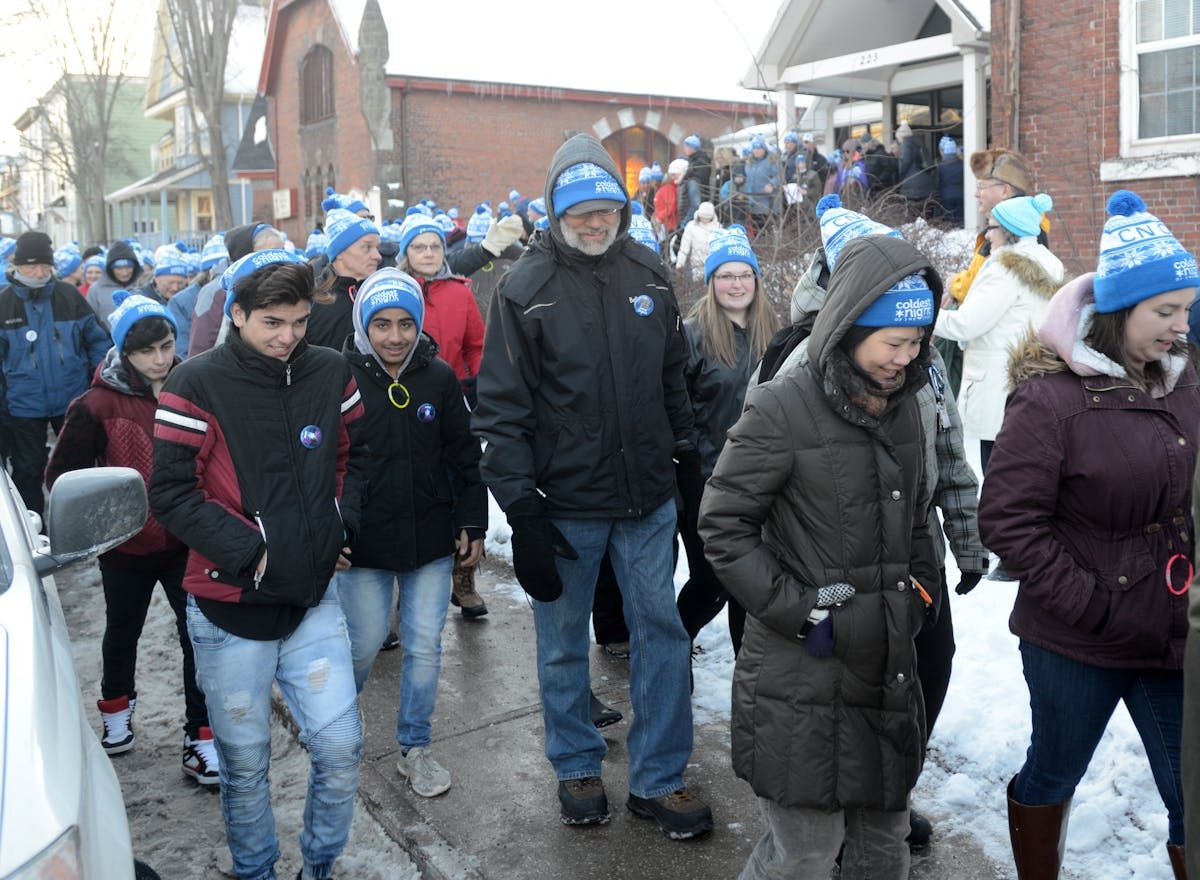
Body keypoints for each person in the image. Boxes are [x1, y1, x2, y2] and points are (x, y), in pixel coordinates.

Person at [473, 134, 712, 839]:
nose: (594, 220)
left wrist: (691, 474)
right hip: (565, 505)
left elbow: (675, 379)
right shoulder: (523, 290)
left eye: (605, 207)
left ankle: (659, 777)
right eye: (579, 210)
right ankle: (576, 763)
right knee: (561, 640)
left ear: (622, 209)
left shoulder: (647, 270)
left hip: (646, 499)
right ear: (555, 211)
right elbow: (501, 412)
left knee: (661, 633)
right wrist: (521, 511)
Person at [700, 231, 941, 879]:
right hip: (801, 678)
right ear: (849, 326)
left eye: (917, 343)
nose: (906, 357)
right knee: (803, 854)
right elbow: (723, 526)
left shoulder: (906, 409)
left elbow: (915, 515)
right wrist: (804, 613)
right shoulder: (782, 406)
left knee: (882, 850)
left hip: (885, 671)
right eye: (894, 342)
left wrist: (920, 592)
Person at [757, 194, 989, 851]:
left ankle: (889, 794)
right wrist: (789, 597)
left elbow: (948, 452)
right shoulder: (796, 362)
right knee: (845, 697)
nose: (904, 351)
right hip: (834, 574)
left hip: (914, 560)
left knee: (924, 673)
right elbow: (751, 495)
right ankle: (831, 824)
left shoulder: (919, 357)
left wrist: (964, 544)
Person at [978, 191, 1198, 880]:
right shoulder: (1049, 401)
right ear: (1117, 311)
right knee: (1054, 770)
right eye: (1164, 312)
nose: (1179, 327)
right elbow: (1008, 521)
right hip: (1078, 637)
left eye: (1187, 311)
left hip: (1172, 635)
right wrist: (1093, 604)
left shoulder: (1186, 380)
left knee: (1191, 792)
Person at [150, 249, 370, 880]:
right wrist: (257, 553)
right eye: (272, 322)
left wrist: (339, 525)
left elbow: (358, 457)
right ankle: (257, 871)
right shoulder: (196, 382)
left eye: (299, 322)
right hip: (228, 608)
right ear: (238, 315)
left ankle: (319, 866)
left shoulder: (330, 371)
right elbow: (170, 492)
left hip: (311, 599)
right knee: (245, 768)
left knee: (340, 746)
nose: (288, 337)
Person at [46, 292, 218, 785]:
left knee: (197, 638)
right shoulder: (96, 404)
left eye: (166, 345)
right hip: (125, 544)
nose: (160, 359)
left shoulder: (194, 386)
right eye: (147, 351)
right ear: (125, 352)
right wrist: (103, 522)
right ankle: (116, 711)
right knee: (123, 630)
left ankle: (200, 736)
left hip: (186, 539)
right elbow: (63, 476)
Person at [335, 267, 486, 797]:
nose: (394, 337)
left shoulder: (439, 378)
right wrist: (335, 528)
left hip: (429, 539)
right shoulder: (341, 379)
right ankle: (337, 736)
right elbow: (330, 463)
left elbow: (464, 456)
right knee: (362, 644)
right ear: (363, 326)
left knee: (425, 645)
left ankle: (414, 745)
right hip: (365, 544)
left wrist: (472, 520)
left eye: (404, 324)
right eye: (381, 325)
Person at [672, 228, 781, 659]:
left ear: (755, 280)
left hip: (764, 478)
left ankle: (748, 668)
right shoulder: (693, 335)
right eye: (725, 276)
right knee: (712, 579)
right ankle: (673, 648)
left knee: (749, 583)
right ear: (711, 282)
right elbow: (676, 408)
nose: (736, 285)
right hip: (707, 479)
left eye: (744, 275)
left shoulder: (776, 334)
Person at [393, 211, 489, 618]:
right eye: (419, 246)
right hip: (403, 398)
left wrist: (474, 385)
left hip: (454, 399)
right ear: (405, 253)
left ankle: (463, 576)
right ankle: (399, 577)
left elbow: (476, 344)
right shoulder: (392, 289)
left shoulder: (459, 291)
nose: (428, 253)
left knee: (462, 479)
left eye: (434, 245)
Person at [934, 192, 1062, 474]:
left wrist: (925, 316)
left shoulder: (1005, 269)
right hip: (1028, 383)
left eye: (990, 226)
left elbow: (966, 324)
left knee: (998, 478)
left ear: (1007, 230)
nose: (987, 235)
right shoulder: (1048, 261)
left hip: (997, 389)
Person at [0, 231, 111, 517]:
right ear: (17, 267)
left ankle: (82, 522)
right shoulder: (4, 303)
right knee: (27, 468)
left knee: (76, 466)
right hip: (22, 402)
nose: (38, 272)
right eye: (31, 266)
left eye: (44, 266)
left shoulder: (68, 295)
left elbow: (97, 339)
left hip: (71, 397)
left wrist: (97, 379)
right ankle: (35, 529)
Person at [188, 223, 287, 357]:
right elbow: (200, 349)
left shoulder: (288, 287)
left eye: (281, 251)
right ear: (245, 255)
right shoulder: (216, 292)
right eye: (267, 255)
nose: (280, 260)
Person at [307, 208, 382, 350]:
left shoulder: (377, 293)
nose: (378, 256)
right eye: (367, 247)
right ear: (340, 252)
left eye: (377, 247)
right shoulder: (314, 301)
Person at [88, 240, 146, 326]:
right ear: (110, 269)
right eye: (119, 269)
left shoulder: (143, 286)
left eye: (128, 267)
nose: (124, 273)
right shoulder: (96, 290)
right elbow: (90, 322)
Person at [674, 201, 722, 282]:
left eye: (707, 218)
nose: (705, 220)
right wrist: (680, 265)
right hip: (696, 268)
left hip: (714, 267)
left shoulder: (718, 229)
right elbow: (684, 249)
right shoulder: (691, 226)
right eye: (703, 218)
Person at [743, 136, 780, 233]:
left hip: (768, 203)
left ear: (764, 149)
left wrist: (772, 184)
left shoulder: (771, 161)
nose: (757, 151)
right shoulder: (749, 163)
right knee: (756, 231)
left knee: (768, 232)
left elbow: (779, 176)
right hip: (753, 203)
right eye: (755, 148)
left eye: (759, 148)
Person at [896, 122, 934, 214]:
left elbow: (905, 163)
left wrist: (899, 177)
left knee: (913, 214)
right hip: (925, 184)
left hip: (912, 186)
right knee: (925, 214)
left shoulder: (906, 144)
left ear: (901, 136)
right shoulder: (920, 144)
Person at [681, 134, 713, 223]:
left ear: (692, 147)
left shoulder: (701, 161)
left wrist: (688, 175)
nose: (685, 149)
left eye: (686, 146)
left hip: (700, 198)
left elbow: (701, 178)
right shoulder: (692, 160)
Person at [936, 137, 964, 226]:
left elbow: (938, 182)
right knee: (960, 220)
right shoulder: (962, 164)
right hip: (961, 195)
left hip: (946, 196)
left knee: (948, 221)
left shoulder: (941, 166)